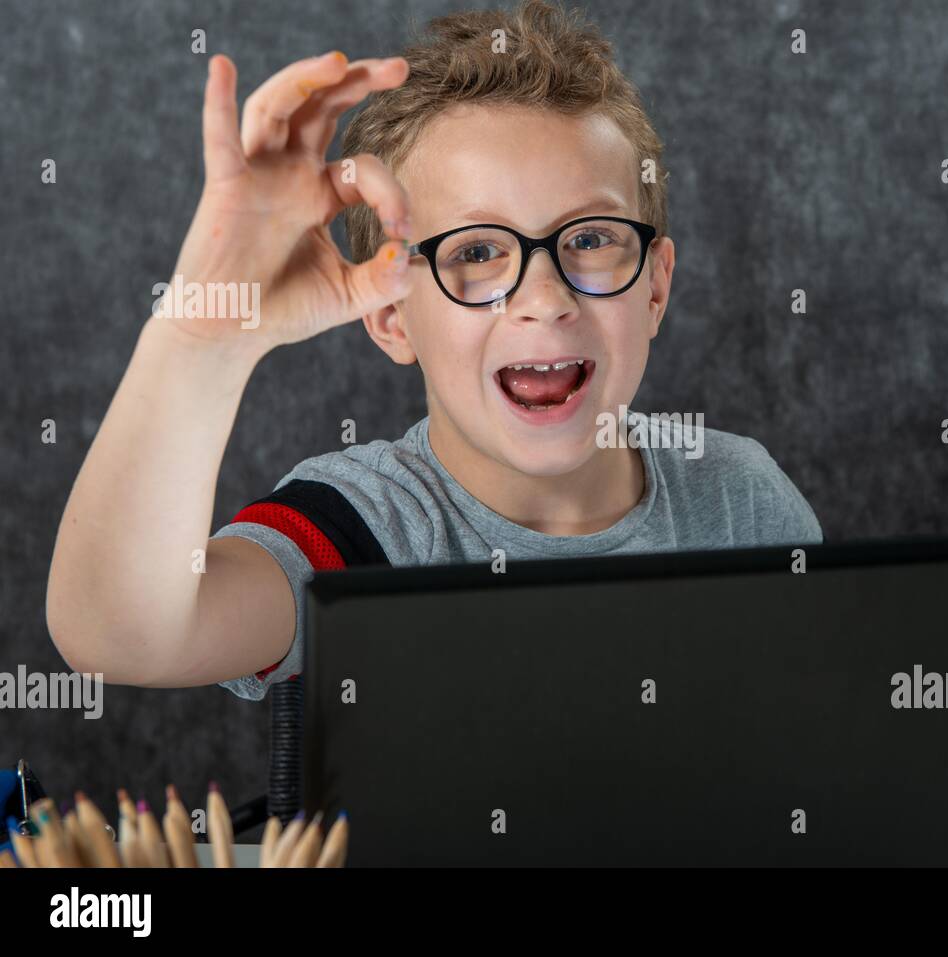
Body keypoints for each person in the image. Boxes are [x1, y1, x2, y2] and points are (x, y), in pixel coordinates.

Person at [46, 0, 821, 700]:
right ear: (392, 319)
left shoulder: (739, 502)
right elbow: (118, 634)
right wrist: (201, 338)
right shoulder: (359, 530)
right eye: (477, 252)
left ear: (654, 287)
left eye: (589, 238)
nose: (544, 298)